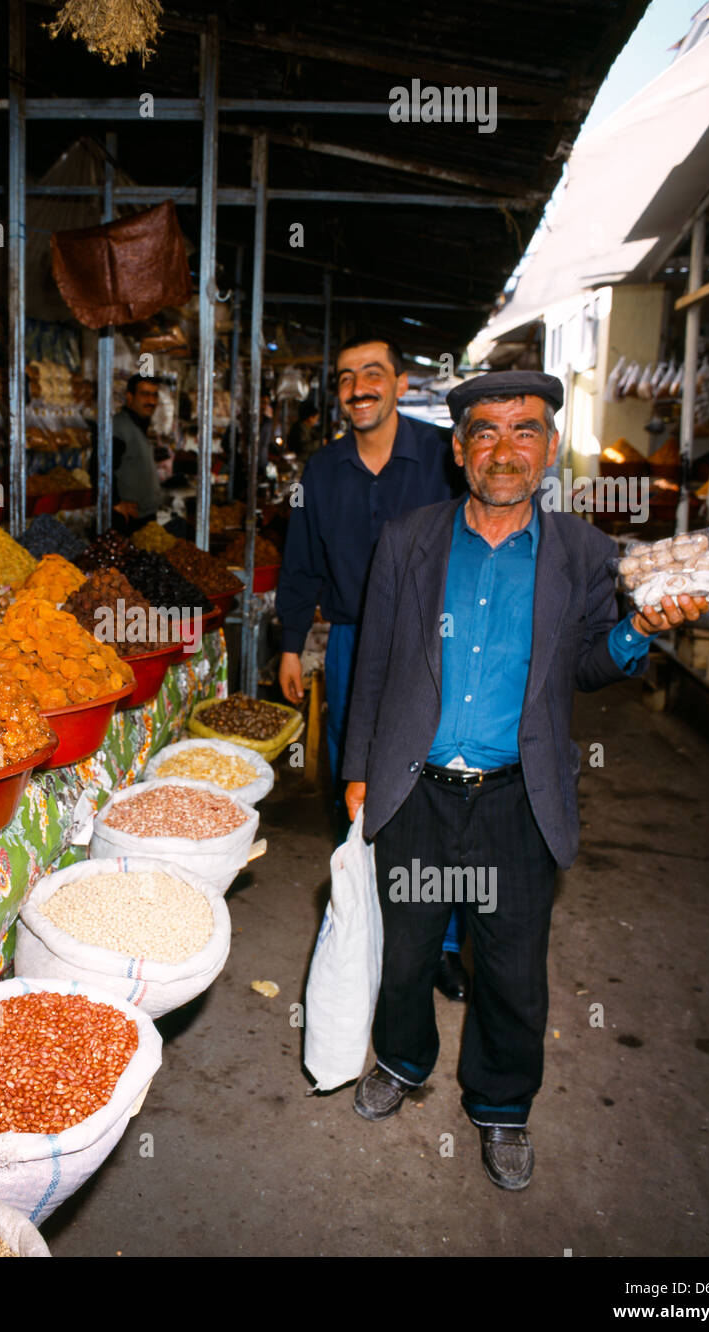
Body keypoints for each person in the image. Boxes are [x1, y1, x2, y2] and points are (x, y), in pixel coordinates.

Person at [342, 370, 708, 1190]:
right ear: (459, 448)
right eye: (485, 432)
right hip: (418, 790)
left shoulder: (582, 553)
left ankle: (501, 1106)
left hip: (516, 798)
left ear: (548, 447)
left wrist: (635, 631)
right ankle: (401, 1060)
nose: (504, 450)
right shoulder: (410, 539)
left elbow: (583, 665)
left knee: (509, 965)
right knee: (405, 952)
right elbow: (375, 663)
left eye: (525, 431)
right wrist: (358, 769)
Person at [276, 334, 467, 1000]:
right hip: (355, 642)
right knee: (353, 783)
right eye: (347, 376)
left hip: (432, 641)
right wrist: (291, 642)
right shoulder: (322, 471)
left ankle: (441, 941)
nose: (359, 387)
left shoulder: (444, 458)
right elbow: (300, 560)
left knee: (435, 779)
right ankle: (362, 912)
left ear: (399, 381)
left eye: (373, 373)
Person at [110, 374, 164, 526]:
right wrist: (115, 503)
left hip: (144, 518)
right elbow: (100, 467)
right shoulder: (119, 427)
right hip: (128, 521)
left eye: (154, 395)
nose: (151, 401)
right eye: (145, 394)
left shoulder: (139, 425)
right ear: (129, 396)